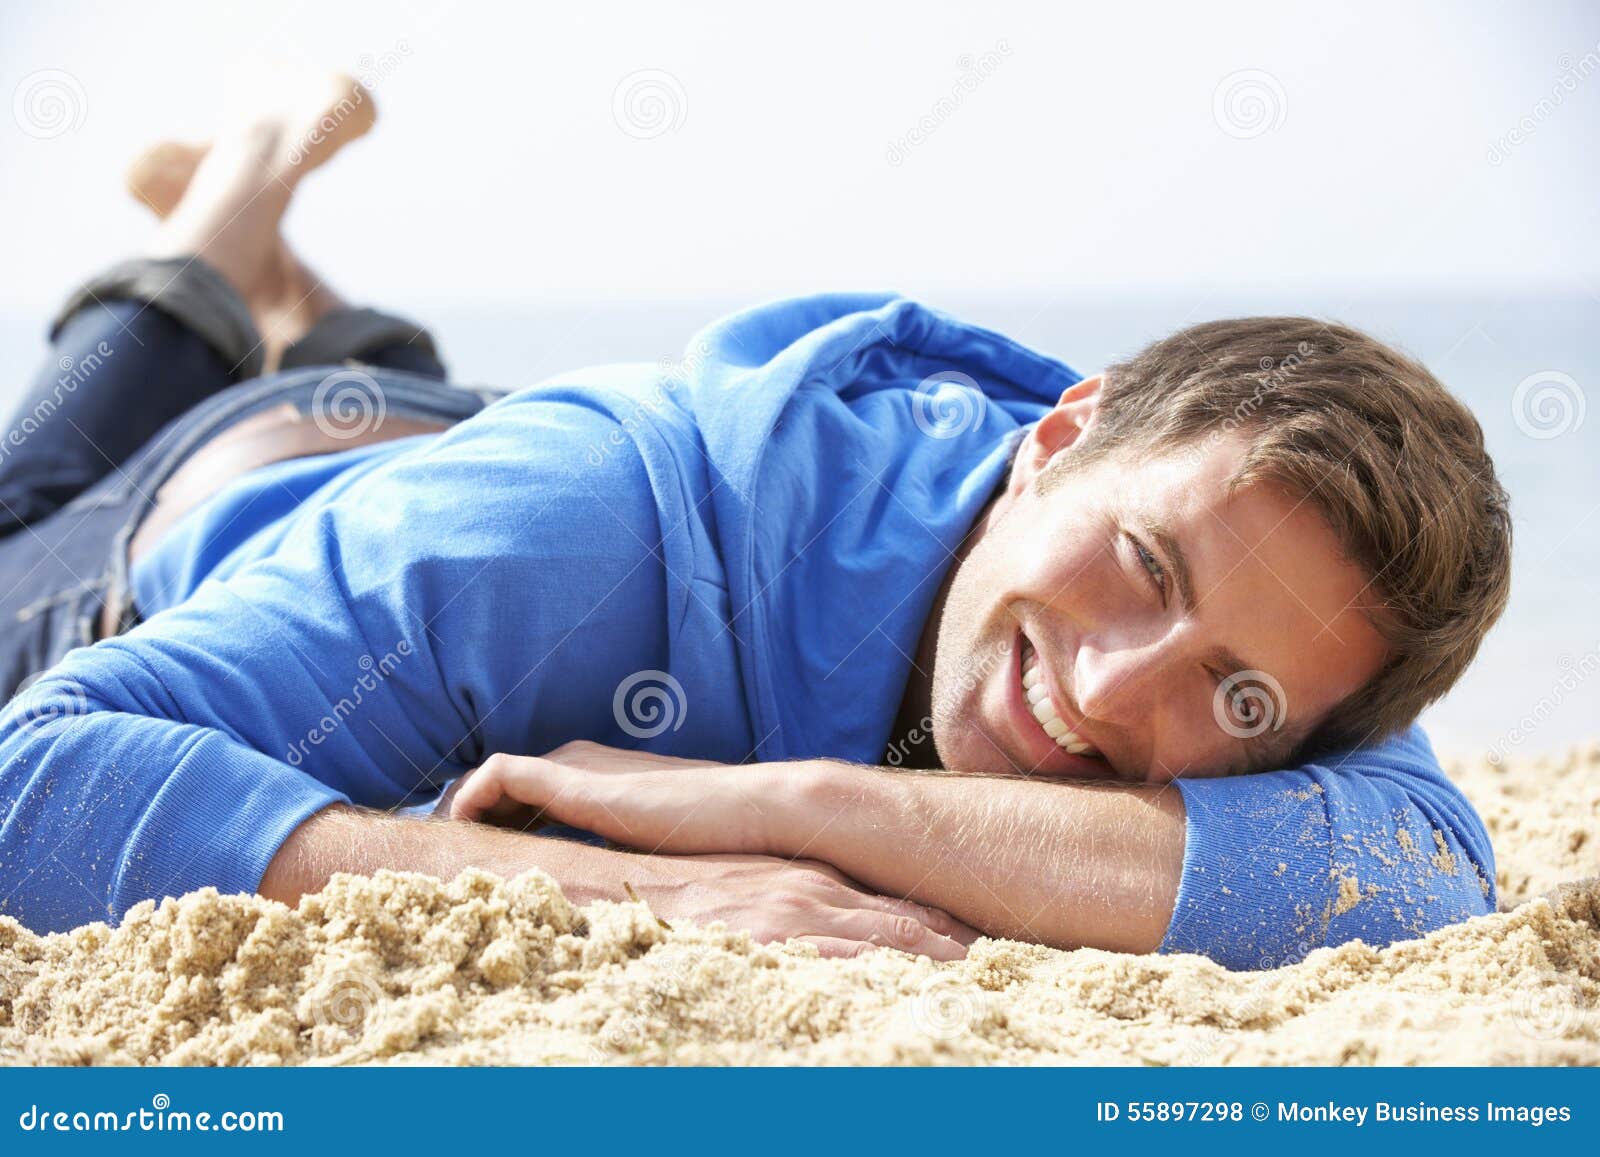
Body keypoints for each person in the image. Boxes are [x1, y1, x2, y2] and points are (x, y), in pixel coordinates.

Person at [0, 78, 1511, 969]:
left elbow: (1426, 871)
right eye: (1143, 566)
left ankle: (302, 303)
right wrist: (637, 877)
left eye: (1237, 694)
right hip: (168, 527)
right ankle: (227, 217)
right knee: (64, 448)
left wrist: (802, 804)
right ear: (1057, 436)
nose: (1120, 691)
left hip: (442, 463)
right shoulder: (571, 527)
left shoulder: (1302, 586)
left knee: (387, 401)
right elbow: (38, 779)